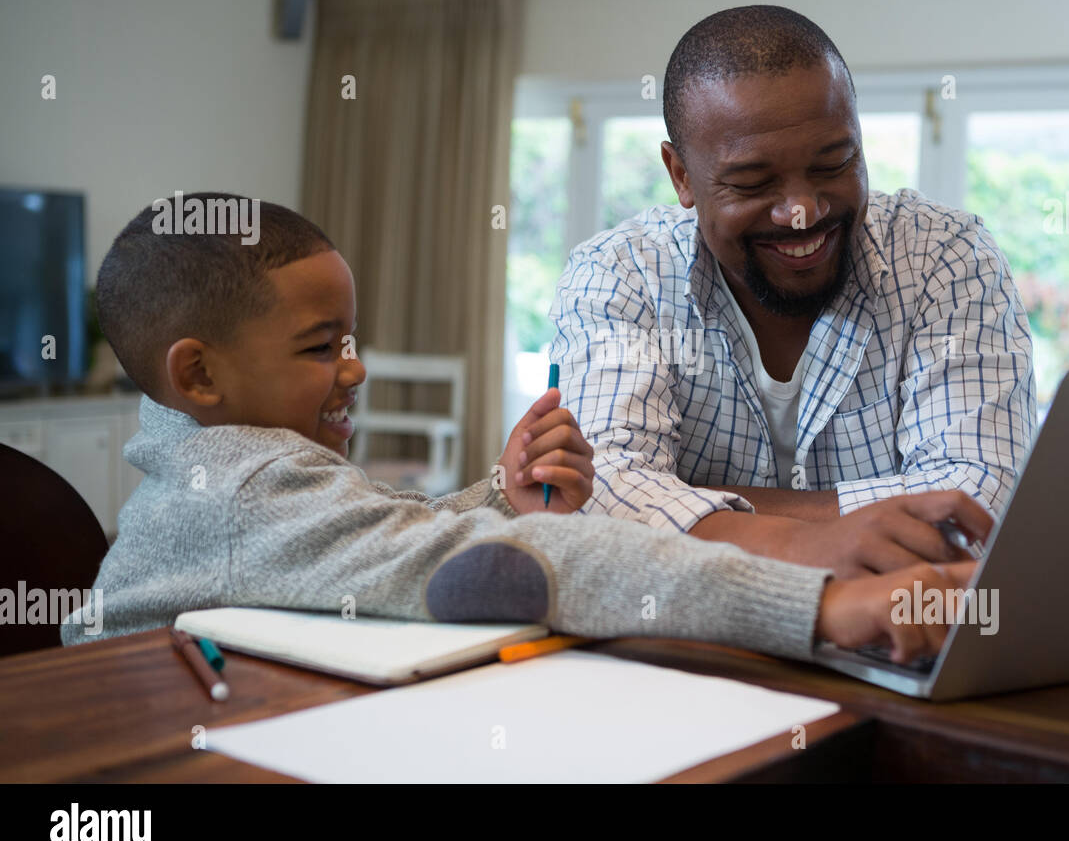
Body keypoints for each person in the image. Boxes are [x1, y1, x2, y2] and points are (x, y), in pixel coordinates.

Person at [61, 193, 974, 668]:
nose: (354, 368)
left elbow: (381, 543)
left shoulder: (219, 463)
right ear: (200, 373)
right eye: (318, 348)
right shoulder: (245, 487)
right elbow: (530, 568)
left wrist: (496, 496)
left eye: (348, 338)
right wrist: (824, 603)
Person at [550, 5, 1036, 572]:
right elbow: (598, 494)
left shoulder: (946, 258)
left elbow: (975, 507)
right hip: (684, 639)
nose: (802, 211)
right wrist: (823, 540)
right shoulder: (620, 275)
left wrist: (689, 500)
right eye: (754, 182)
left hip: (898, 639)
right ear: (681, 174)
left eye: (835, 164)